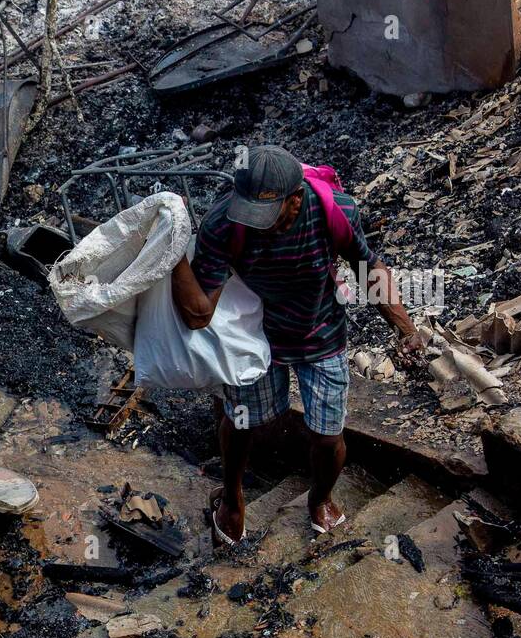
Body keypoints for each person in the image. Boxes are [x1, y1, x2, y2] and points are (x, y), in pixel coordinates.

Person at [168, 144, 425, 546]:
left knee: (327, 435)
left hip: (318, 329)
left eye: (265, 217)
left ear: (295, 200)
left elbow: (367, 265)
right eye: (249, 214)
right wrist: (172, 256)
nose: (255, 226)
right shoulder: (224, 223)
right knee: (240, 420)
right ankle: (233, 499)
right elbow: (200, 313)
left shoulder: (333, 210)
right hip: (253, 335)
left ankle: (320, 497)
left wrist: (405, 329)